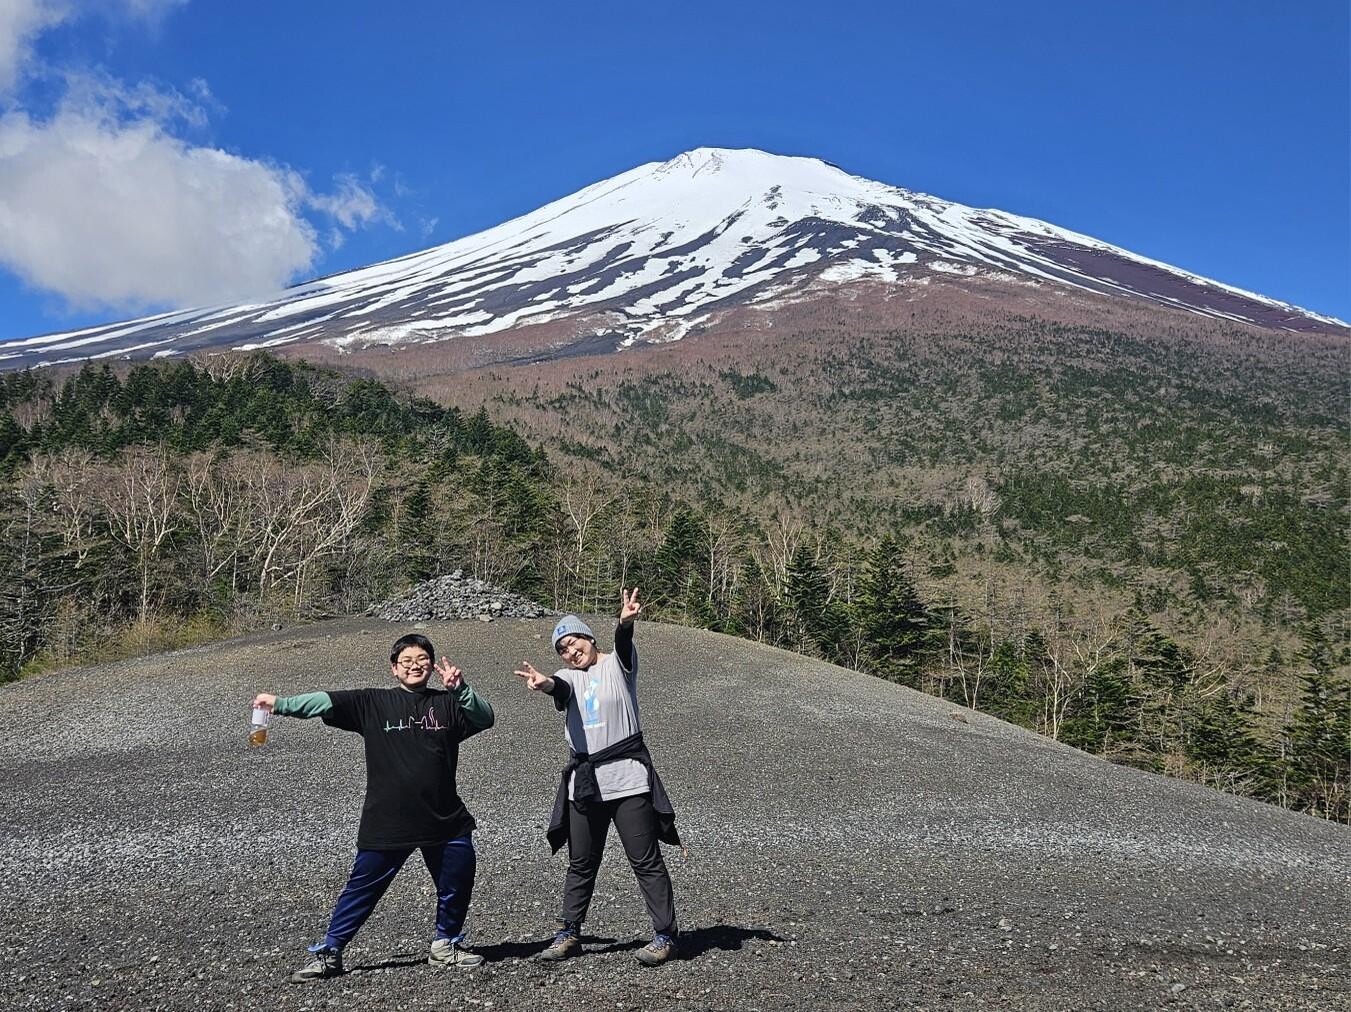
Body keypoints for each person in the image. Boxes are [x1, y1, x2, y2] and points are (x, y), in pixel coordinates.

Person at [251, 633, 494, 983]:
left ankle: (445, 945)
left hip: (445, 819)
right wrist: (281, 703)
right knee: (362, 889)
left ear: (432, 665)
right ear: (394, 669)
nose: (415, 666)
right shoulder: (372, 702)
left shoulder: (448, 704)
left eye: (422, 660)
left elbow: (485, 718)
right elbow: (323, 701)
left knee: (457, 881)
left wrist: (460, 689)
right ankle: (330, 952)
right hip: (388, 821)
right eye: (407, 661)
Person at [514, 588, 682, 967]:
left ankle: (665, 935)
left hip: (627, 779)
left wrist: (625, 623)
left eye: (575, 644)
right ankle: (570, 931)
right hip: (586, 782)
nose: (571, 653)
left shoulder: (617, 666)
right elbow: (558, 687)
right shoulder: (566, 676)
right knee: (581, 861)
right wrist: (544, 684)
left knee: (645, 859)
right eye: (563, 650)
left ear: (590, 638)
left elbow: (624, 642)